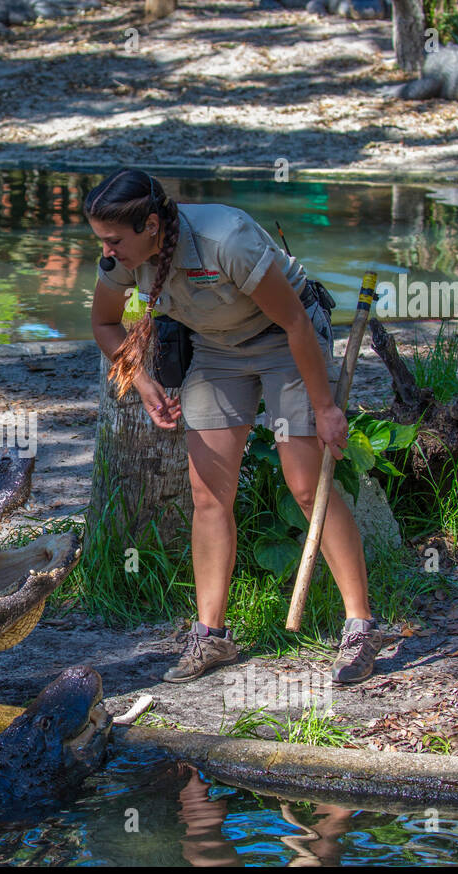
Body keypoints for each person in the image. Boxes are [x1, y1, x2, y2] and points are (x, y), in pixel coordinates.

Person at [85, 167, 388, 684]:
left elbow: (295, 322)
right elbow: (104, 322)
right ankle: (212, 636)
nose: (107, 252)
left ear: (152, 225)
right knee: (209, 493)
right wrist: (142, 382)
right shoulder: (122, 261)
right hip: (217, 353)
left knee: (304, 484)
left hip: (286, 343)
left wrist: (326, 409)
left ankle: (361, 627)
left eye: (114, 240)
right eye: (101, 241)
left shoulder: (224, 238)